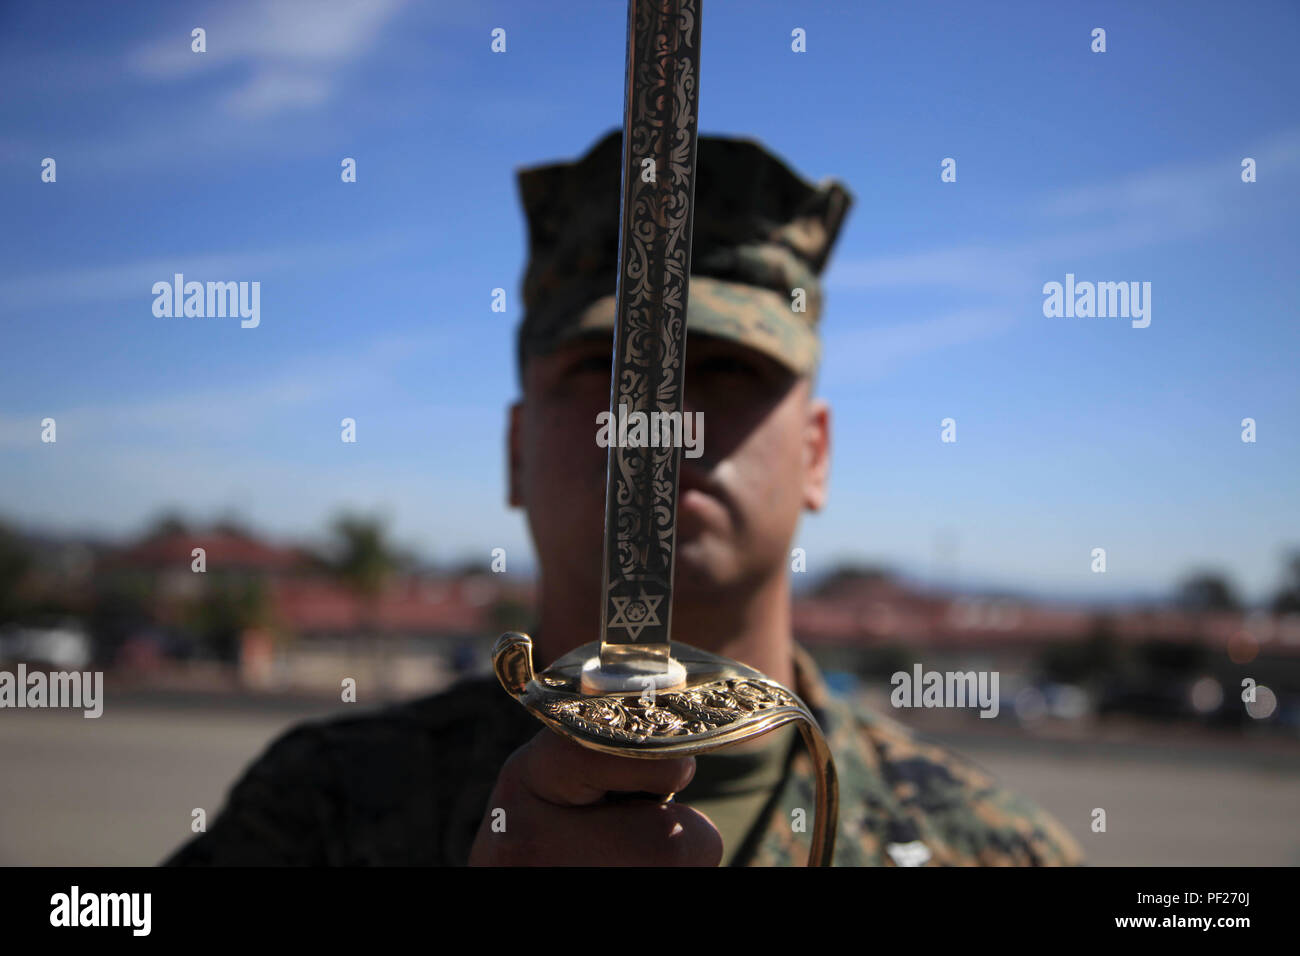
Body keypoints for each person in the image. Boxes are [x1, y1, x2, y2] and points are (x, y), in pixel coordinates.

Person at [164, 130, 1083, 867]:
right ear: (518, 449)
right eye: (599, 370)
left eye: (724, 369)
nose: (656, 419)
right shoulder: (325, 810)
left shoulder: (990, 847)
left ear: (816, 454)